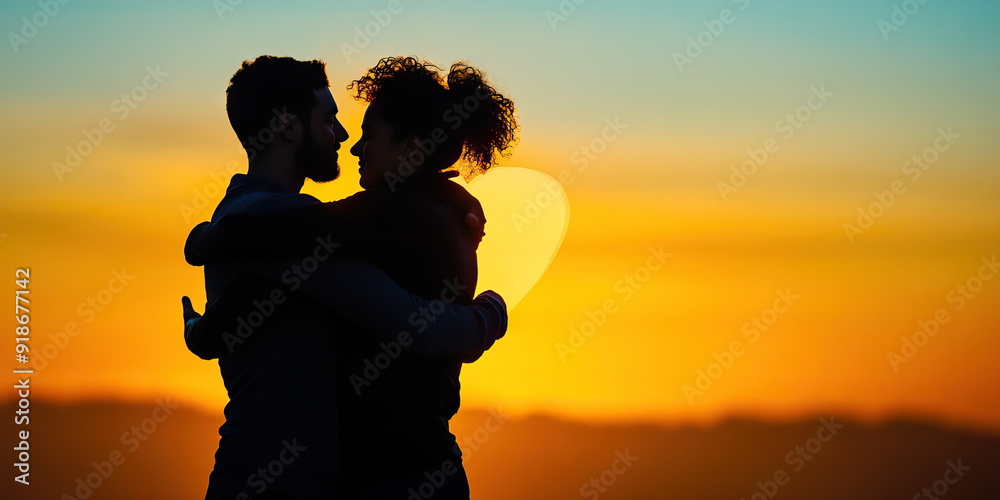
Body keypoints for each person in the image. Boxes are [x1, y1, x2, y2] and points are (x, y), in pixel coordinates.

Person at [186, 56, 518, 499]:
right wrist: (488, 314)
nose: (348, 141)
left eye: (366, 134)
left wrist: (203, 251)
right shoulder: (412, 215)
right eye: (330, 120)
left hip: (387, 473)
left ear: (412, 148)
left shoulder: (369, 218)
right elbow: (279, 281)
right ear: (287, 127)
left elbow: (405, 318)